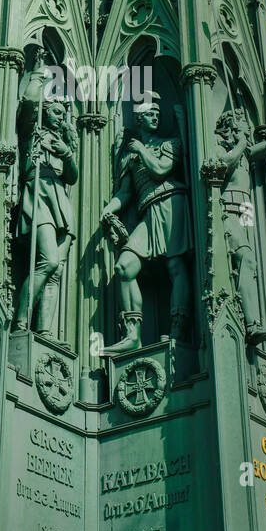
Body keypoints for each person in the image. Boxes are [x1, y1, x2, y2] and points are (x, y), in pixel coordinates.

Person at [100, 93, 192, 353]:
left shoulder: (170, 144)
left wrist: (140, 149)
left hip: (172, 204)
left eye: (158, 114)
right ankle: (133, 334)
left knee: (175, 266)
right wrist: (108, 210)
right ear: (139, 118)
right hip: (147, 212)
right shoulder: (130, 158)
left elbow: (161, 170)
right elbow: (126, 193)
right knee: (124, 267)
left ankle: (178, 331)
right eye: (150, 114)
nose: (155, 117)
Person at [212, 69, 266, 344]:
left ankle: (251, 319)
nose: (247, 130)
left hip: (246, 210)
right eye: (241, 126)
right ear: (231, 128)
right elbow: (222, 166)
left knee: (252, 263)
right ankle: (249, 323)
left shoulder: (246, 153)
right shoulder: (220, 148)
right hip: (226, 207)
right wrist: (239, 144)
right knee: (244, 259)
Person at [15, 73, 78, 337]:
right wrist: (39, 75)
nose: (60, 117)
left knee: (56, 271)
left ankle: (44, 332)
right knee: (49, 261)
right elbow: (29, 100)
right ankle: (20, 322)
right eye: (55, 111)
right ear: (44, 111)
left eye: (63, 113)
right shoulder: (32, 131)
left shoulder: (62, 141)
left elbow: (72, 177)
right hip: (39, 193)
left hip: (60, 200)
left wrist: (67, 154)